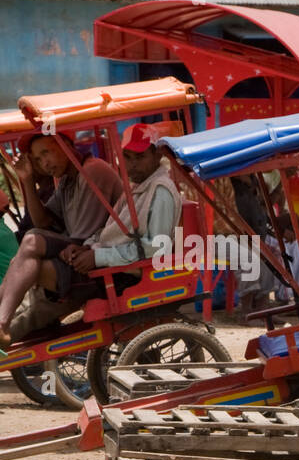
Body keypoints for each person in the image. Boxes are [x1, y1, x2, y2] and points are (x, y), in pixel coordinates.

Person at [0, 124, 179, 347]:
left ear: (156, 154)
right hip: (101, 263)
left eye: (139, 157)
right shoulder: (136, 187)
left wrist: (95, 255)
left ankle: (3, 323)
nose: (132, 165)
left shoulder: (157, 190)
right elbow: (100, 232)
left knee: (32, 250)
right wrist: (89, 248)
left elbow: (153, 249)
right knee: (28, 253)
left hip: (120, 274)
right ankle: (3, 322)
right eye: (127, 157)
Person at [0, 132, 122, 342]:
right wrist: (27, 180)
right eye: (38, 159)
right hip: (77, 262)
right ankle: (2, 321)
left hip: (101, 266)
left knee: (31, 243)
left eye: (46, 153)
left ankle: (2, 323)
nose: (44, 163)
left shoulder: (92, 171)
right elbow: (43, 222)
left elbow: (79, 242)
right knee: (23, 257)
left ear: (65, 145)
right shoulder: (66, 181)